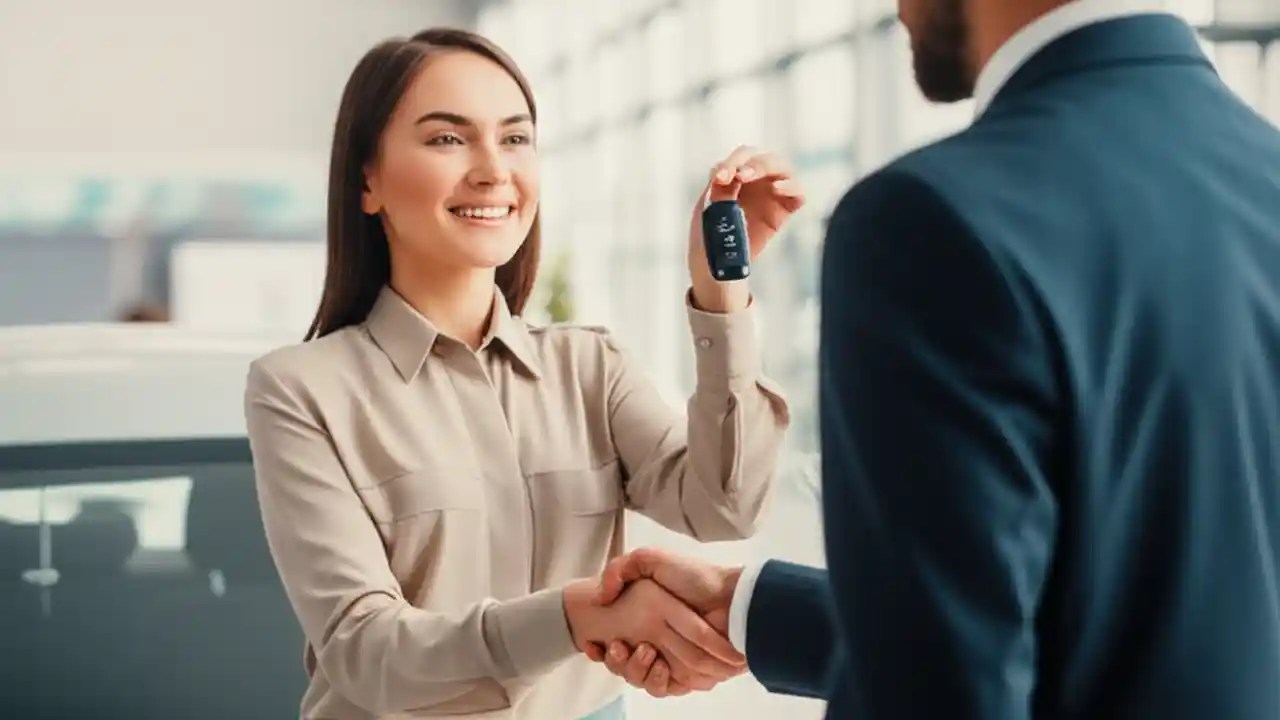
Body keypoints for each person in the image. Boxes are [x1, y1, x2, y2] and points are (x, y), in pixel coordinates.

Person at [591, 0, 1280, 718]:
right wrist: (756, 609)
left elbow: (942, 692)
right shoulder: (1265, 173)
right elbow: (1180, 613)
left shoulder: (933, 220)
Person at [242, 28, 804, 720]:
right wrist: (578, 617)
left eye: (514, 139)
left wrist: (721, 291)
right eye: (448, 139)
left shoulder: (589, 365)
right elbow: (367, 654)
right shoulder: (300, 390)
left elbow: (725, 507)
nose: (492, 170)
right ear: (367, 180)